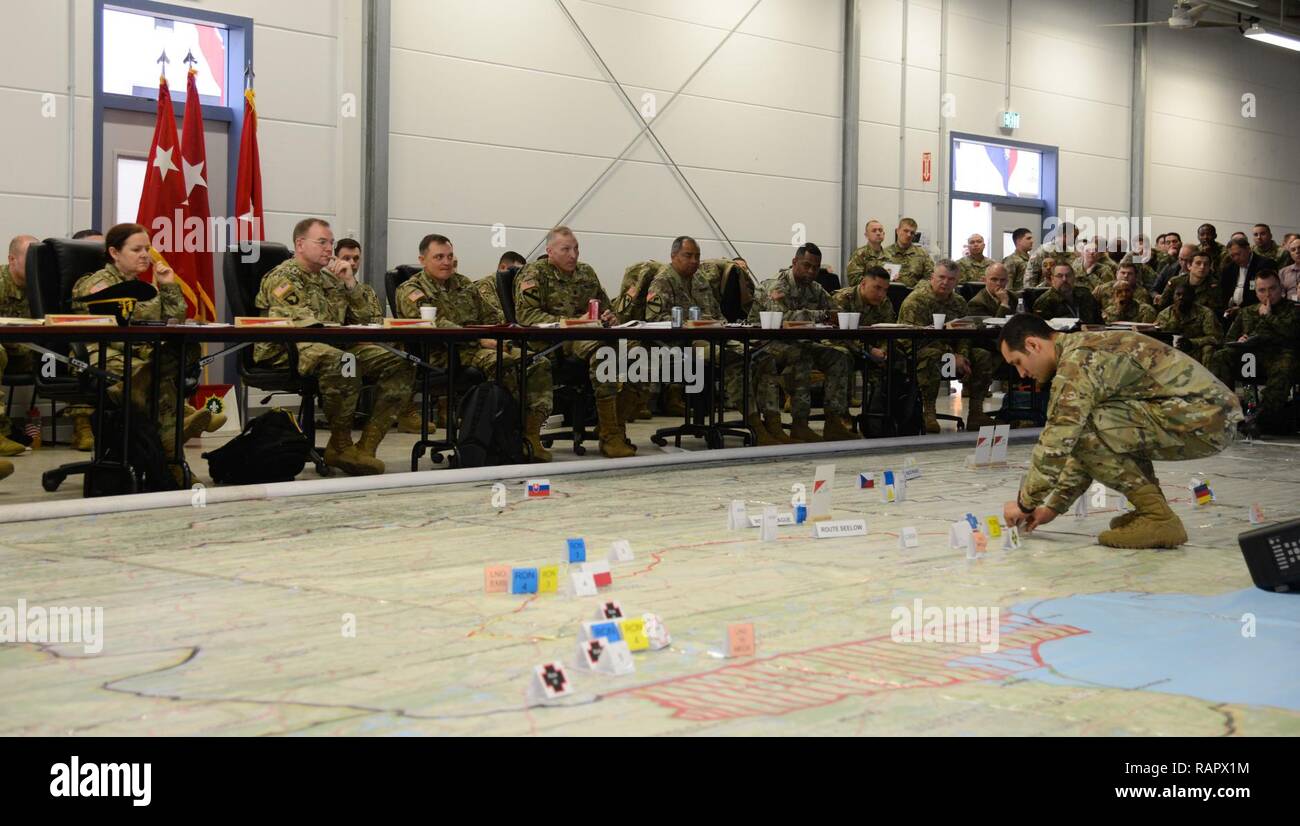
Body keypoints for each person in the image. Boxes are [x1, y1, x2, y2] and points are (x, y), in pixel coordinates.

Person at [999, 314, 1241, 549]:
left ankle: (1157, 517)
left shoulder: (1078, 361)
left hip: (1205, 419)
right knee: (1095, 425)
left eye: (1018, 363)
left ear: (1032, 344)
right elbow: (1089, 445)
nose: (1022, 374)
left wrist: (1025, 504)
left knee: (1085, 423)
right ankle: (1153, 514)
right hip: (1206, 418)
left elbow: (1058, 442)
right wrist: (1050, 509)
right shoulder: (1083, 348)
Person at [255, 217, 413, 475]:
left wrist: (350, 284)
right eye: (322, 242)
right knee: (344, 361)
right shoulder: (283, 278)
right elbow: (306, 326)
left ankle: (366, 447)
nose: (329, 249)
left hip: (332, 346)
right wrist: (344, 335)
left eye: (331, 242)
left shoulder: (330, 279)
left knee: (400, 363)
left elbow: (364, 320)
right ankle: (340, 444)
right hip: (287, 348)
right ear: (300, 244)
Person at [396, 234, 553, 460]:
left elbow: (493, 315)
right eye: (439, 257)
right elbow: (436, 324)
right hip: (446, 355)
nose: (446, 262)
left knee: (537, 361)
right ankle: (506, 436)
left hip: (483, 347)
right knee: (503, 363)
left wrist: (504, 340)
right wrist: (479, 340)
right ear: (422, 260)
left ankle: (531, 433)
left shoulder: (464, 284)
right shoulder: (410, 289)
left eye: (450, 256)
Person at [70, 223, 198, 479]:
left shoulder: (146, 289)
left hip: (140, 355)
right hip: (101, 355)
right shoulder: (97, 285)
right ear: (115, 253)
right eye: (136, 249)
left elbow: (175, 320)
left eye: (147, 248)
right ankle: (174, 452)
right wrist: (144, 351)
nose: (145, 255)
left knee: (172, 363)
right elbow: (107, 329)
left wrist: (168, 286)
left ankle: (168, 460)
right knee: (145, 378)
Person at [515, 226, 643, 458]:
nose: (573, 255)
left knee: (639, 353)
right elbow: (527, 316)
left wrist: (610, 317)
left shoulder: (586, 273)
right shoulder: (533, 274)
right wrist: (574, 322)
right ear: (550, 251)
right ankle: (610, 437)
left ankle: (613, 425)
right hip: (555, 340)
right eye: (565, 249)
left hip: (591, 335)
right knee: (605, 353)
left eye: (576, 249)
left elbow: (606, 308)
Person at [644, 237, 776, 442]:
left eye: (697, 256)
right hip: (681, 345)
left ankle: (772, 421)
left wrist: (724, 327)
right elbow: (654, 319)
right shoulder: (662, 281)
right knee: (734, 357)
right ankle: (754, 423)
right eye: (688, 256)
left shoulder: (699, 280)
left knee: (762, 356)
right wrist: (690, 324)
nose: (694, 261)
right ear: (673, 256)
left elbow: (717, 314)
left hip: (713, 336)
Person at [746, 243, 855, 441]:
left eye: (815, 267)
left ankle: (833, 422)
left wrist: (831, 316)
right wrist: (821, 315)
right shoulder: (775, 286)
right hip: (766, 343)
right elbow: (783, 317)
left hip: (799, 342)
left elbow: (836, 312)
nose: (811, 271)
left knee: (838, 357)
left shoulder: (816, 289)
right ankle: (799, 423)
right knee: (801, 354)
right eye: (806, 265)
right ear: (794, 262)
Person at [897, 259, 994, 432]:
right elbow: (914, 338)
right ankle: (928, 412)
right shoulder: (916, 301)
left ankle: (976, 413)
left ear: (957, 282)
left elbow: (966, 333)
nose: (945, 282)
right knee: (931, 354)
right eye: (941, 277)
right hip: (918, 351)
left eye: (951, 279)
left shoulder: (958, 302)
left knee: (982, 355)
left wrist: (962, 355)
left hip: (953, 354)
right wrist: (951, 356)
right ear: (932, 277)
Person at [1209, 270, 1298, 436]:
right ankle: (1226, 411)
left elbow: (1292, 333)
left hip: (1279, 356)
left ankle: (1260, 417)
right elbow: (1229, 339)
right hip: (1250, 357)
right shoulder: (1247, 311)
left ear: (1281, 288)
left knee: (1285, 365)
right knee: (1221, 356)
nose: (1268, 294)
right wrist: (1240, 340)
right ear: (1256, 292)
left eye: (1272, 289)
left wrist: (1268, 316)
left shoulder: (1292, 309)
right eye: (1262, 290)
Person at [0, 234, 37, 455]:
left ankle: (83, 426)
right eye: (30, 258)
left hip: (29, 354)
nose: (36, 265)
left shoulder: (42, 285)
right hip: (5, 353)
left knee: (74, 352)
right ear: (12, 260)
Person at [1154, 284, 1220, 364]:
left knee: (1209, 349)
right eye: (1178, 294)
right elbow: (1157, 337)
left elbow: (1214, 338)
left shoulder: (1205, 313)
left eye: (1185, 295)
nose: (1181, 298)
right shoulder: (1164, 314)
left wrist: (1192, 342)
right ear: (1173, 296)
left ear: (1193, 298)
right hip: (1170, 351)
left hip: (1195, 351)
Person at [1033, 263, 1101, 325]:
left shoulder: (1085, 294)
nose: (1064, 279)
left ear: (1074, 277)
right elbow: (1041, 331)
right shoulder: (1044, 302)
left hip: (1091, 335)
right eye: (1059, 276)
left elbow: (1099, 321)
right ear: (1052, 279)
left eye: (1068, 275)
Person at [884, 218, 934, 287]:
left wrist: (919, 287)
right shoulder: (885, 253)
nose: (909, 235)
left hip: (915, 294)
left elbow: (931, 277)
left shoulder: (922, 254)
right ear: (897, 231)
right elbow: (877, 277)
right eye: (905, 231)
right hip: (890, 293)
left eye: (912, 233)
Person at [845, 219, 891, 288]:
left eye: (880, 230)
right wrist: (876, 282)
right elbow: (854, 281)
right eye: (874, 231)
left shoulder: (889, 256)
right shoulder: (859, 254)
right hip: (864, 295)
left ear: (883, 234)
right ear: (866, 235)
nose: (878, 233)